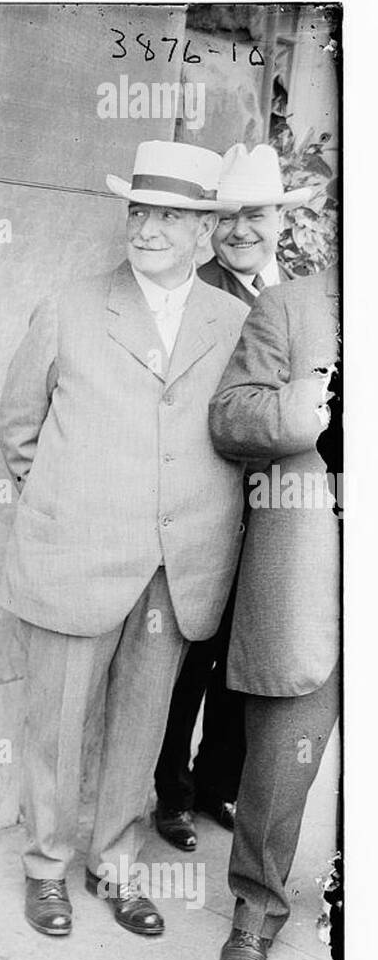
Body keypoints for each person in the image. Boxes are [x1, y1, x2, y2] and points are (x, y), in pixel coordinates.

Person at [0, 140, 248, 941]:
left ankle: (114, 865)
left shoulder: (237, 322)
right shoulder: (70, 305)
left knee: (141, 729)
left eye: (169, 216)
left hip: (179, 569)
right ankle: (45, 869)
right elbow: (18, 429)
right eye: (140, 211)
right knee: (57, 723)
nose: (146, 229)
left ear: (206, 233)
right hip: (78, 557)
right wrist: (75, 507)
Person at [153, 143, 314, 853]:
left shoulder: (306, 298)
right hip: (214, 509)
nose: (241, 229)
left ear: (282, 218)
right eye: (226, 217)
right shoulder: (198, 293)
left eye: (256, 214)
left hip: (285, 522)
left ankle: (217, 781)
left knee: (248, 666)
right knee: (193, 656)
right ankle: (171, 795)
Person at [209, 267, 340, 960]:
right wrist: (304, 407)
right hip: (309, 581)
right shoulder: (290, 307)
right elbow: (229, 415)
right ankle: (254, 914)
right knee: (281, 763)